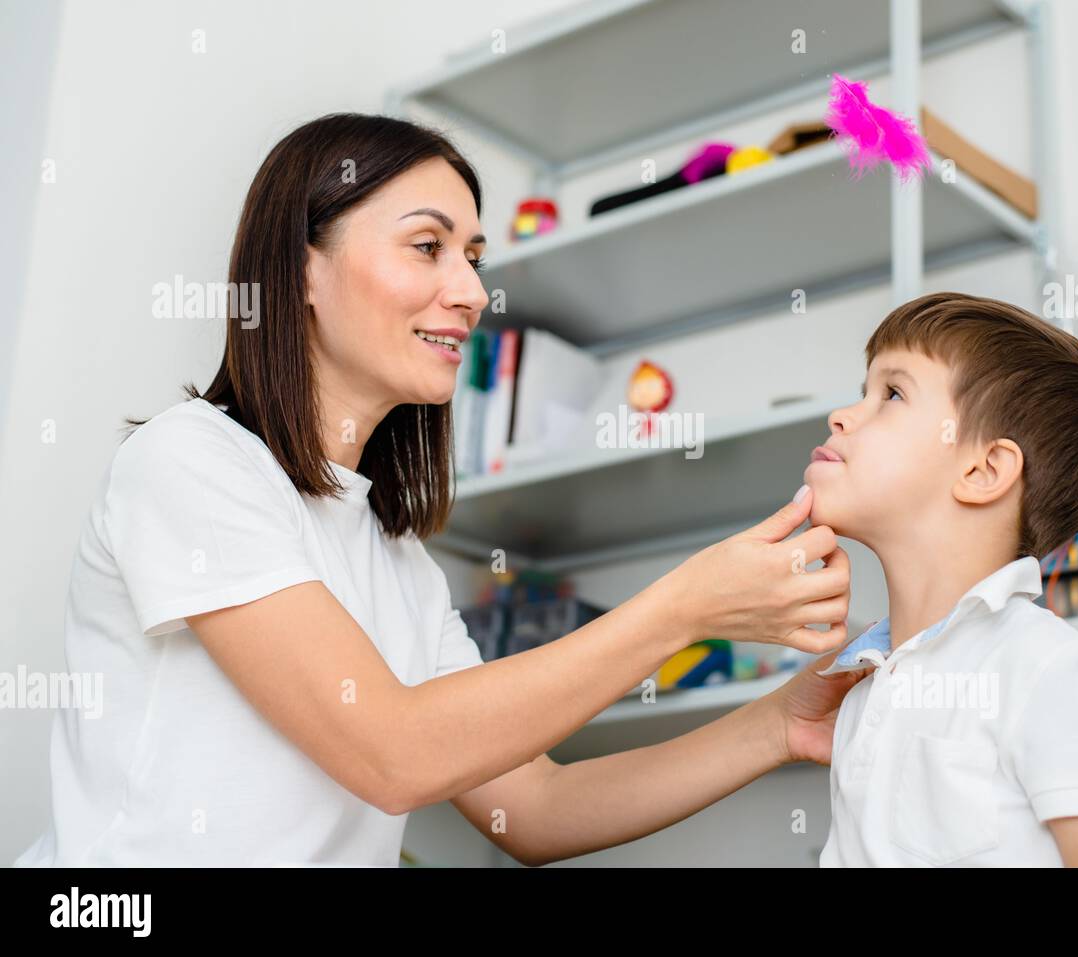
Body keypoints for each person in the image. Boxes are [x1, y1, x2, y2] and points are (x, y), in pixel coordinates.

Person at [15, 114, 862, 867]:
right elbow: (392, 753)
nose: (470, 291)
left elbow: (534, 809)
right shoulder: (189, 464)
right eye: (428, 246)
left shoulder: (398, 560)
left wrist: (776, 726)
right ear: (301, 270)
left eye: (475, 258)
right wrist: (683, 608)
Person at [806, 292, 1078, 867]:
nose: (841, 415)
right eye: (863, 389)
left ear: (983, 470)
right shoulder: (863, 689)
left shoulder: (1061, 672)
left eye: (892, 393)